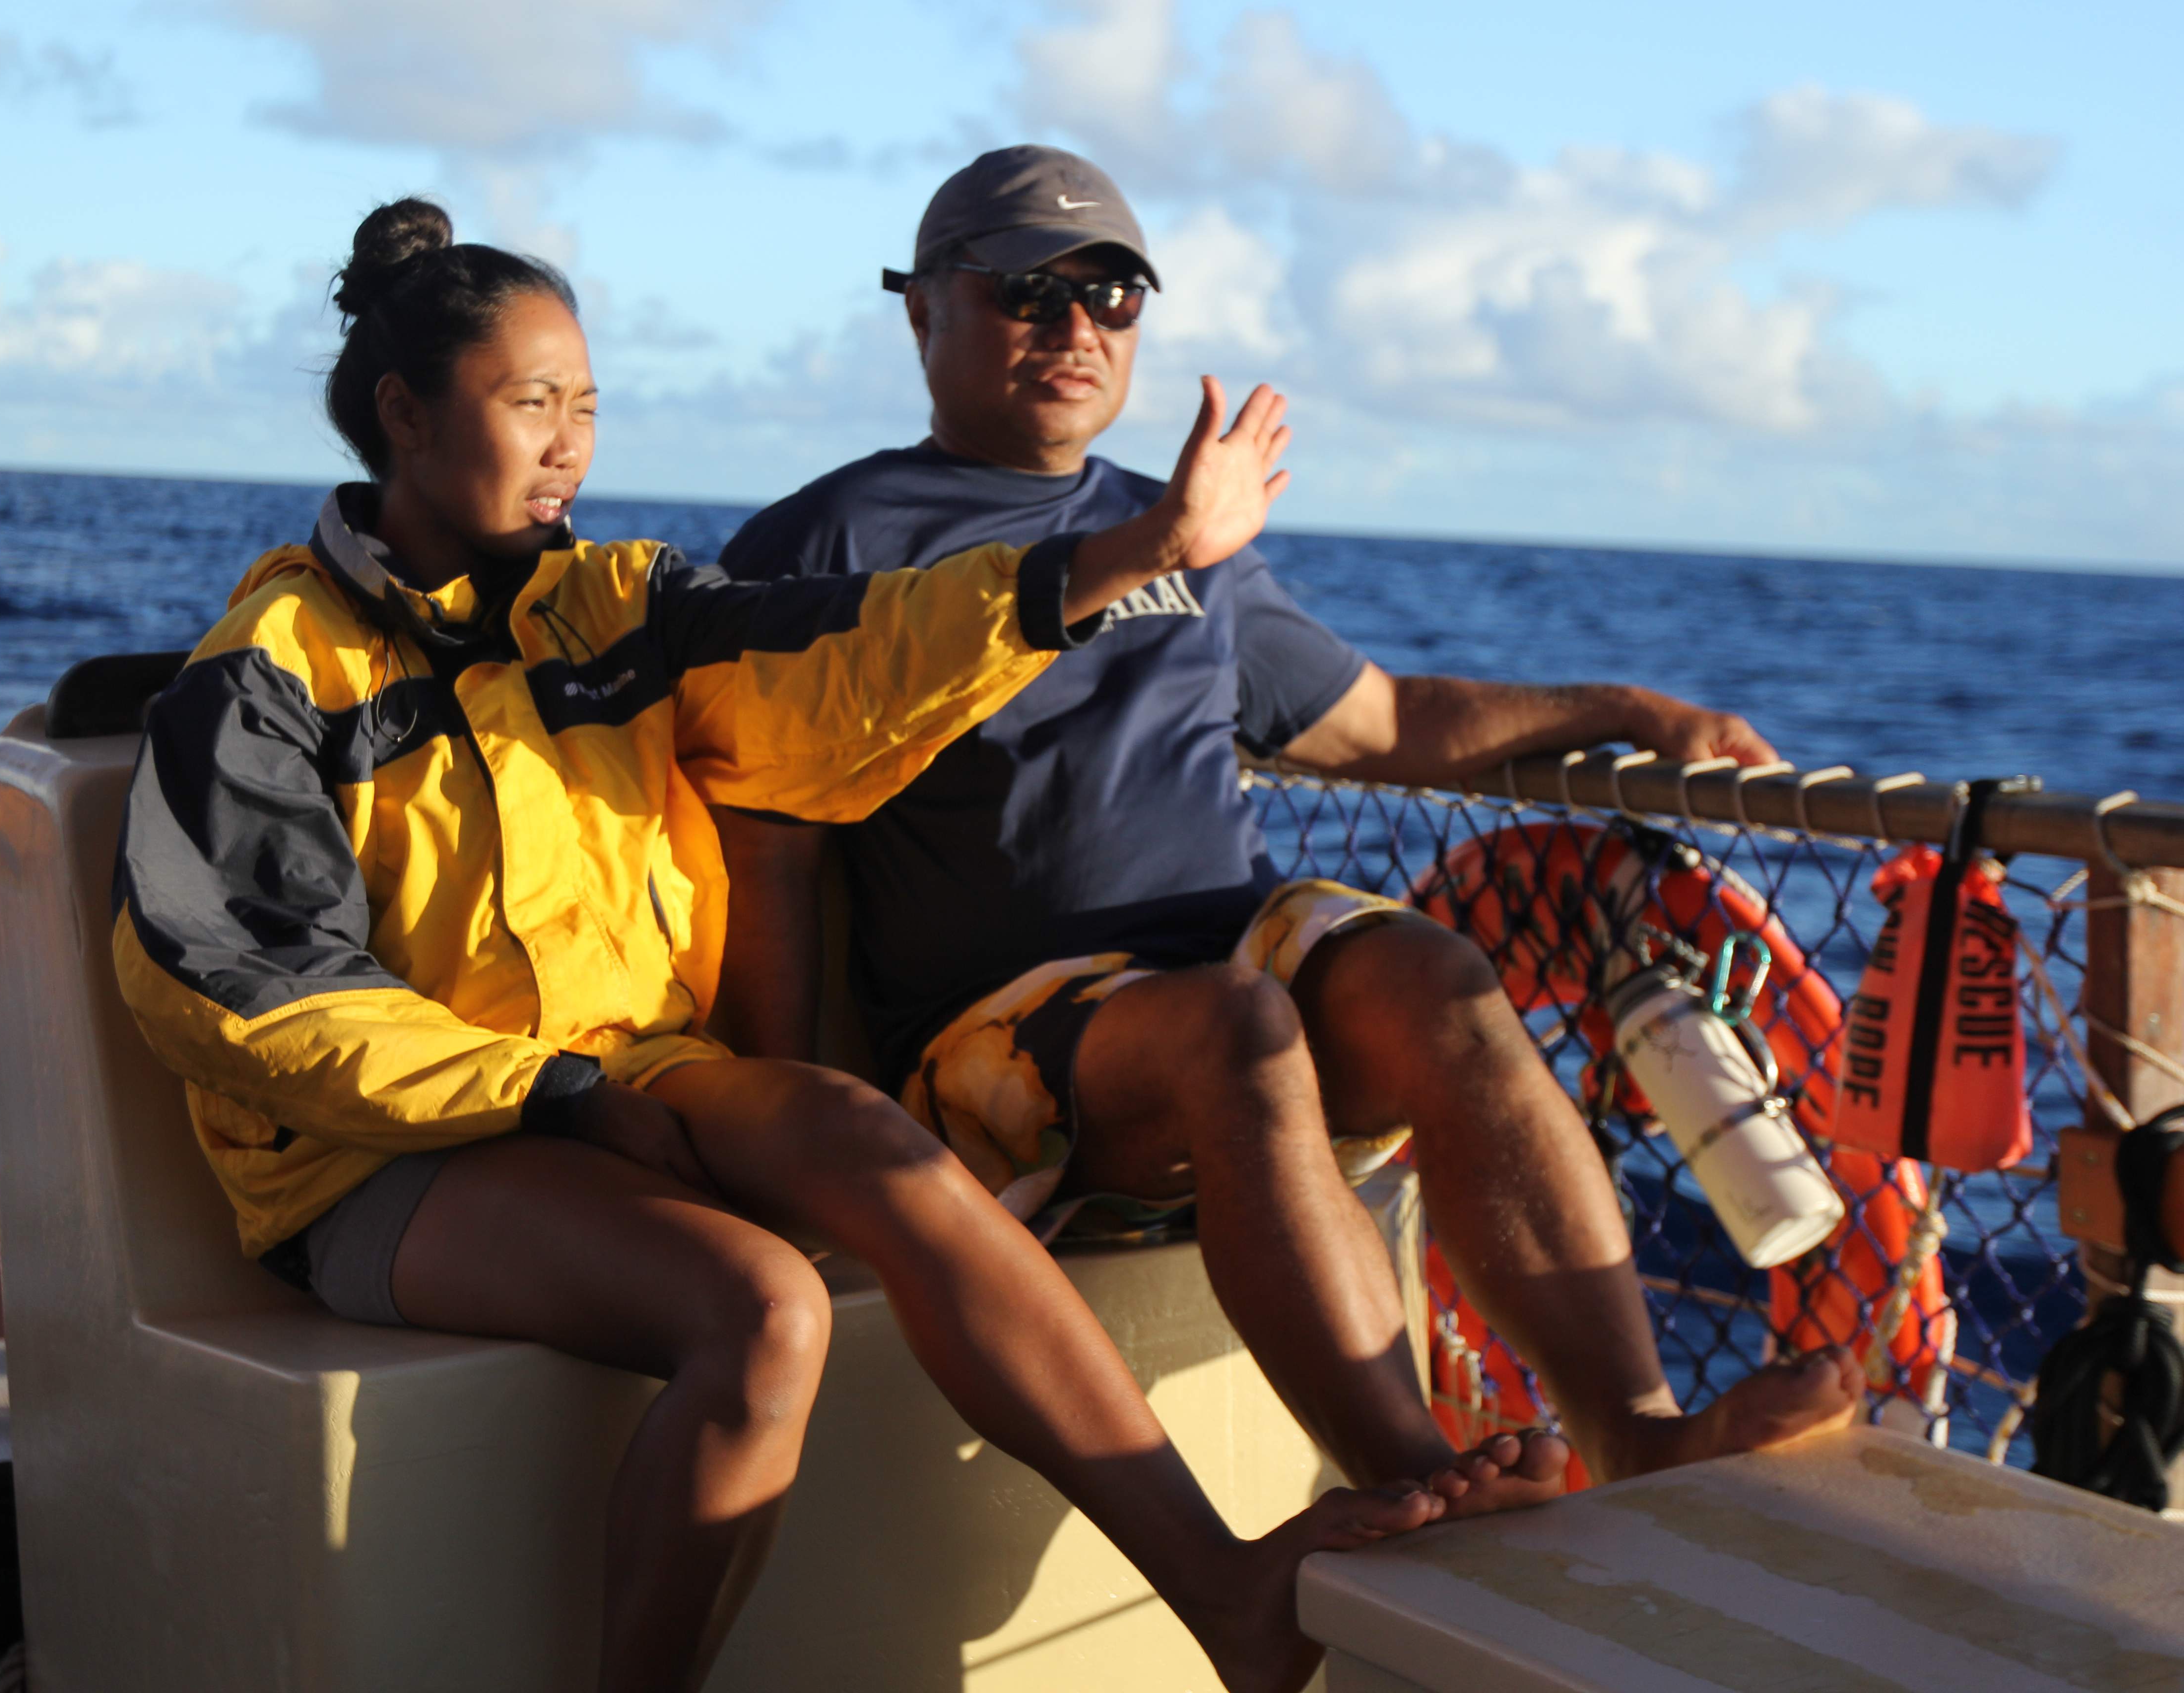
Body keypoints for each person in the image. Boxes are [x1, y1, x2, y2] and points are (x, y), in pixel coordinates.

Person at [113, 197, 1478, 1693]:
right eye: (529, 406)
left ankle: (1221, 1590)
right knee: (761, 1311)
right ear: (403, 415)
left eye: (586, 406)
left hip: (628, 1072)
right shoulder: (266, 679)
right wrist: (561, 1101)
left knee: (865, 1136)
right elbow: (245, 989)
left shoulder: (615, 610)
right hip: (377, 1154)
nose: (570, 445)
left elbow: (850, 654)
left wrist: (1125, 555)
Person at [708, 146, 1866, 1513]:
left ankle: (1637, 1430)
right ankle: (1423, 1478)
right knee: (1237, 1025)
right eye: (1027, 291)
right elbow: (766, 849)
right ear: (923, 315)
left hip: (1217, 982)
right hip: (1000, 1059)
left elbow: (1386, 724)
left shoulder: (1185, 531)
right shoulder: (827, 545)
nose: (1076, 327)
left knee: (1429, 971)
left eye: (1113, 294)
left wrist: (1637, 708)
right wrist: (777, 1123)